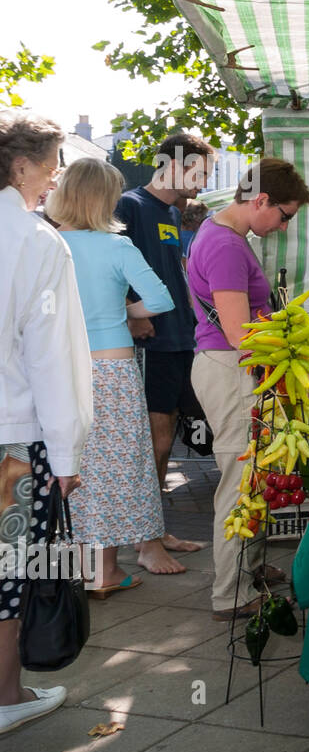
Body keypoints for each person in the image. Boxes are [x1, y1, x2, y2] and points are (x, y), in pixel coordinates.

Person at [46, 159, 182, 587]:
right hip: (113, 367)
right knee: (117, 467)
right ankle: (105, 570)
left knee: (71, 463)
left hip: (59, 368)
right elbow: (161, 299)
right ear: (107, 199)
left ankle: (75, 569)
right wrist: (123, 311)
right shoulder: (117, 247)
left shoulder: (47, 244)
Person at [187, 158, 309, 620]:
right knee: (239, 485)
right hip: (230, 368)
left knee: (253, 477)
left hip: (230, 366)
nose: (283, 226)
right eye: (285, 215)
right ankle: (231, 594)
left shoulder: (224, 236)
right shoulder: (224, 244)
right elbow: (240, 332)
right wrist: (297, 358)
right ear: (261, 200)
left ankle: (251, 566)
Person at [0, 111, 93, 733]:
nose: (56, 179)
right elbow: (54, 358)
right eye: (52, 164)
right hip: (13, 440)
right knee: (10, 570)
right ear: (23, 164)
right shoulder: (34, 241)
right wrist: (66, 458)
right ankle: (5, 698)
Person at [114, 132, 214, 554]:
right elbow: (109, 266)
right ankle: (145, 540)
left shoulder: (172, 214)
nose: (204, 183)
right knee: (152, 442)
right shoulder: (129, 205)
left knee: (165, 441)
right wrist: (129, 312)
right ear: (174, 163)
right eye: (201, 171)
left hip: (178, 339)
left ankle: (153, 531)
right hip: (149, 343)